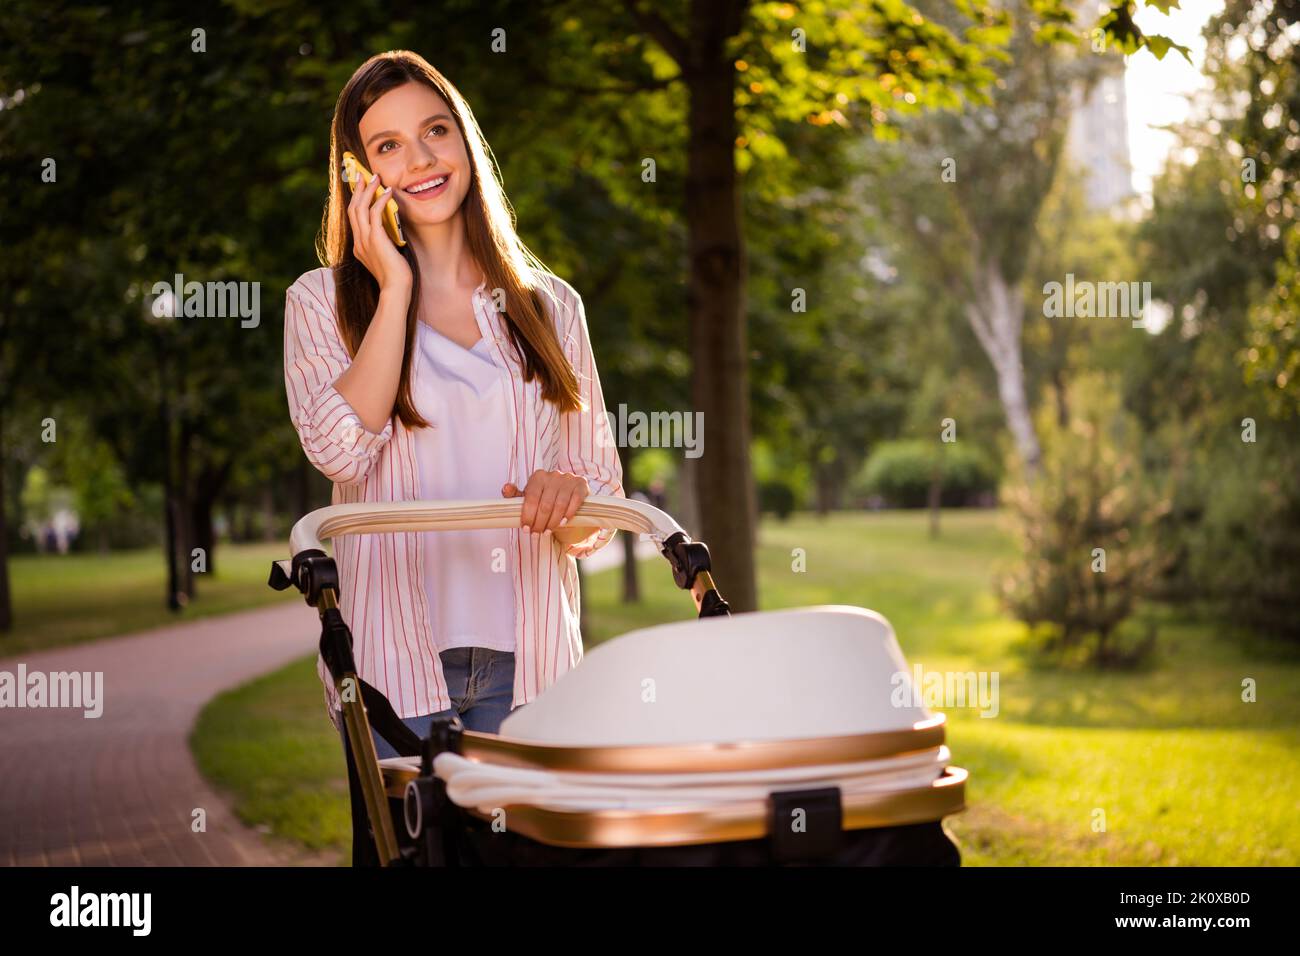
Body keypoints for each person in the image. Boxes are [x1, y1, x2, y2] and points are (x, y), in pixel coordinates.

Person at [282, 50, 624, 857]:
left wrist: (566, 497)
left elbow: (600, 497)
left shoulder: (549, 306)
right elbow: (337, 445)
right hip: (396, 667)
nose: (422, 159)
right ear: (358, 172)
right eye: (389, 145)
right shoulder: (319, 302)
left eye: (435, 131)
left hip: (530, 662)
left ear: (464, 141)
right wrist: (393, 290)